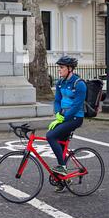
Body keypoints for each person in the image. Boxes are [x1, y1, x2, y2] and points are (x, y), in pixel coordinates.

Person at [46, 56, 87, 193]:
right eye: (59, 67)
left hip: (75, 118)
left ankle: (62, 167)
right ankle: (64, 180)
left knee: (50, 136)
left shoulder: (79, 84)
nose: (59, 70)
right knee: (60, 145)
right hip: (63, 117)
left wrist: (63, 119)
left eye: (62, 67)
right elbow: (57, 100)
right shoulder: (60, 83)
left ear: (70, 69)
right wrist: (58, 113)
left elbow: (76, 106)